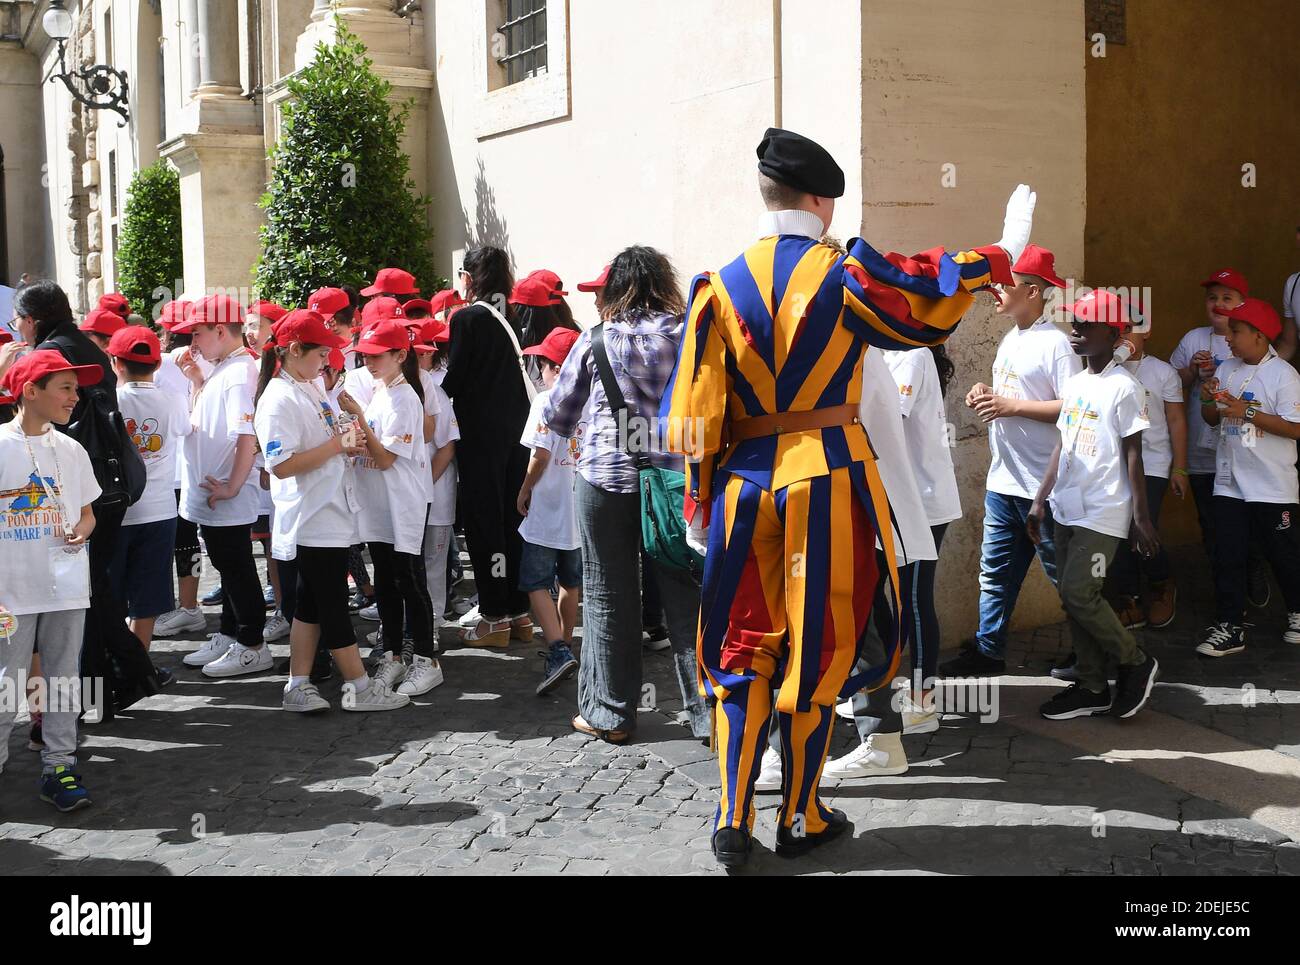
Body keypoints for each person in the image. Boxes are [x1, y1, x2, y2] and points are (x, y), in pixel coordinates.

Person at [664, 127, 1032, 866]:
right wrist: (996, 256)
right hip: (826, 476)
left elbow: (693, 420)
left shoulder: (717, 285)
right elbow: (921, 296)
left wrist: (701, 503)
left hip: (743, 485)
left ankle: (732, 813)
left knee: (741, 648)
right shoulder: (841, 273)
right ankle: (798, 815)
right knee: (819, 645)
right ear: (822, 201)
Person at [545, 246, 711, 747]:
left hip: (604, 479)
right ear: (666, 282)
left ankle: (611, 713)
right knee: (687, 595)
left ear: (615, 289)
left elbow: (558, 415)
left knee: (606, 592)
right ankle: (709, 715)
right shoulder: (690, 334)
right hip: (677, 481)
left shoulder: (594, 340)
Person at [252, 309, 409, 711]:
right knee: (333, 604)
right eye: (320, 353)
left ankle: (297, 684)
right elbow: (281, 465)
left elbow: (318, 447)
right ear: (292, 350)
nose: (326, 362)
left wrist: (345, 443)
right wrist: (337, 447)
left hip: (330, 511)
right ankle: (359, 685)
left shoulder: (306, 388)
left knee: (310, 603)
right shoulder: (279, 397)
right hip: (311, 517)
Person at [939, 244, 1080, 678]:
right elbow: (1012, 398)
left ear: (1034, 292)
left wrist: (1010, 406)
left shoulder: (1057, 343)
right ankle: (988, 651)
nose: (996, 290)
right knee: (995, 574)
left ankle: (1091, 652)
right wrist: (986, 393)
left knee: (1068, 580)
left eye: (1006, 283)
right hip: (1005, 481)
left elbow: (1075, 410)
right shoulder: (1011, 338)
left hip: (1046, 487)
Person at [1028, 289, 1160, 720]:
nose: (1076, 331)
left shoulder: (1126, 388)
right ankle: (1089, 685)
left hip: (1105, 512)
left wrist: (1141, 519)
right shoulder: (1077, 383)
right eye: (1075, 323)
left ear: (1112, 332)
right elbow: (1062, 444)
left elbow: (1134, 454)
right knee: (1074, 598)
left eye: (1086, 325)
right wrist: (1040, 498)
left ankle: (1135, 661)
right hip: (1067, 505)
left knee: (1080, 591)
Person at [0, 351, 102, 811]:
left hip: (65, 586)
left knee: (62, 679)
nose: (74, 396)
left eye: (75, 388)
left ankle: (59, 765)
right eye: (65, 387)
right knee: (6, 681)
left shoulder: (71, 448)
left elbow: (87, 512)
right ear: (30, 391)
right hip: (10, 590)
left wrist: (81, 530)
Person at [341, 316, 443, 696]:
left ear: (400, 355)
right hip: (380, 505)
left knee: (410, 581)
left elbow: (385, 459)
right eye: (364, 355)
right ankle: (394, 656)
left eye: (376, 355)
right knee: (385, 581)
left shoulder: (404, 397)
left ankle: (426, 659)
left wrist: (360, 419)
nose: (368, 362)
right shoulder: (383, 391)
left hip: (403, 505)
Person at [172, 295, 270, 676]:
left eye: (197, 332)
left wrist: (232, 485)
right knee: (228, 566)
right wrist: (197, 381)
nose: (192, 342)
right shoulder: (222, 370)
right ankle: (232, 633)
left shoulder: (239, 372)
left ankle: (251, 643)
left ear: (219, 330)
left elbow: (246, 434)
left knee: (236, 567)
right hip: (214, 493)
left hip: (226, 494)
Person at [1197, 298, 1300, 656]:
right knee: (1227, 553)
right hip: (1229, 481)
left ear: (1259, 335)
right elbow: (1212, 418)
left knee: (1283, 554)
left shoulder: (1284, 375)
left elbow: (1295, 428)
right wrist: (1206, 397)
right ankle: (1230, 625)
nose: (1228, 338)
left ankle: (1298, 613)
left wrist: (1248, 410)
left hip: (1272, 485)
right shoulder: (1227, 369)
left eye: (1236, 331)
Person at [441, 246, 533, 646]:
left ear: (468, 277)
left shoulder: (468, 317)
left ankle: (494, 616)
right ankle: (519, 613)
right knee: (512, 523)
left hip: (481, 436)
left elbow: (456, 378)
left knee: (483, 525)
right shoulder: (509, 315)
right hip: (516, 434)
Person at [106, 326, 191, 657]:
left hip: (118, 511)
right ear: (158, 364)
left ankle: (115, 661)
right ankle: (138, 663)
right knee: (148, 597)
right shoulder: (171, 399)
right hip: (160, 509)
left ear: (116, 363)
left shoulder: (111, 400)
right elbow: (186, 428)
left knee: (112, 593)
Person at [1106, 320, 1187, 630]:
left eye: (1129, 328)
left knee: (1143, 527)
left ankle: (1161, 582)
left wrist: (1180, 467)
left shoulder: (1163, 372)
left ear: (1147, 330)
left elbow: (1177, 420)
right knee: (1118, 528)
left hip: (1152, 463)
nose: (1122, 336)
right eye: (1116, 330)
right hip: (1116, 463)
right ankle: (1129, 598)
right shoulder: (1108, 368)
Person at [517, 327, 583, 695]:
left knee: (536, 582)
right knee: (571, 582)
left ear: (554, 367)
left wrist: (524, 490)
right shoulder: (590, 398)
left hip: (547, 506)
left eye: (541, 362)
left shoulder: (546, 401)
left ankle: (557, 649)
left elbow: (539, 455)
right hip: (578, 508)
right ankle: (566, 643)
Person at [1169, 269, 1247, 556]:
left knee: (1239, 519)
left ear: (1242, 304)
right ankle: (1218, 579)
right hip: (1200, 449)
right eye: (1212, 297)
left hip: (1239, 449)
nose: (1219, 303)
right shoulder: (1194, 338)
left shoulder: (1250, 339)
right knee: (1209, 519)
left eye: (1228, 298)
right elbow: (1173, 385)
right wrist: (1192, 369)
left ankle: (1248, 566)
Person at [152, 300, 211, 638]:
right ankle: (189, 605)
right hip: (193, 465)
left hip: (164, 470)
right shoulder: (207, 363)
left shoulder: (159, 365)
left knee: (168, 543)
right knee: (189, 542)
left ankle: (180, 607)